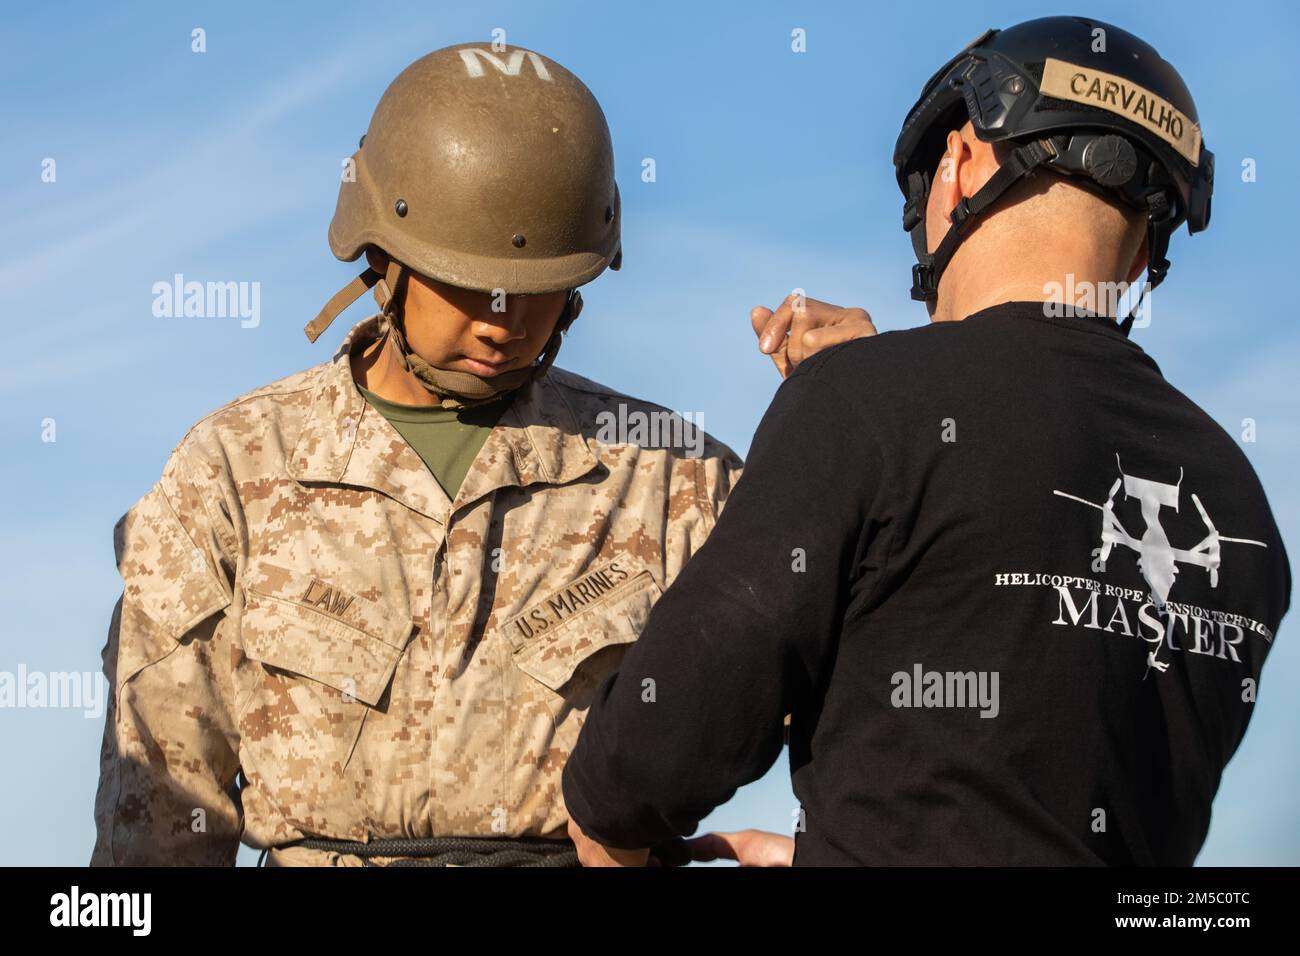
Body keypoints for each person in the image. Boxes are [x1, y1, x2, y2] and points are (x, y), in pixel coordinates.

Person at [90, 42, 870, 866]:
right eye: (466, 282)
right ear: (381, 258)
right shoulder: (236, 471)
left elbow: (878, 680)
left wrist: (854, 414)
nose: (504, 322)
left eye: (539, 290)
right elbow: (163, 812)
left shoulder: (669, 476)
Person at [562, 16, 1291, 866]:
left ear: (964, 160)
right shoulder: (1240, 502)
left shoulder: (866, 408)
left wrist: (854, 418)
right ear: (1139, 260)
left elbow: (643, 765)